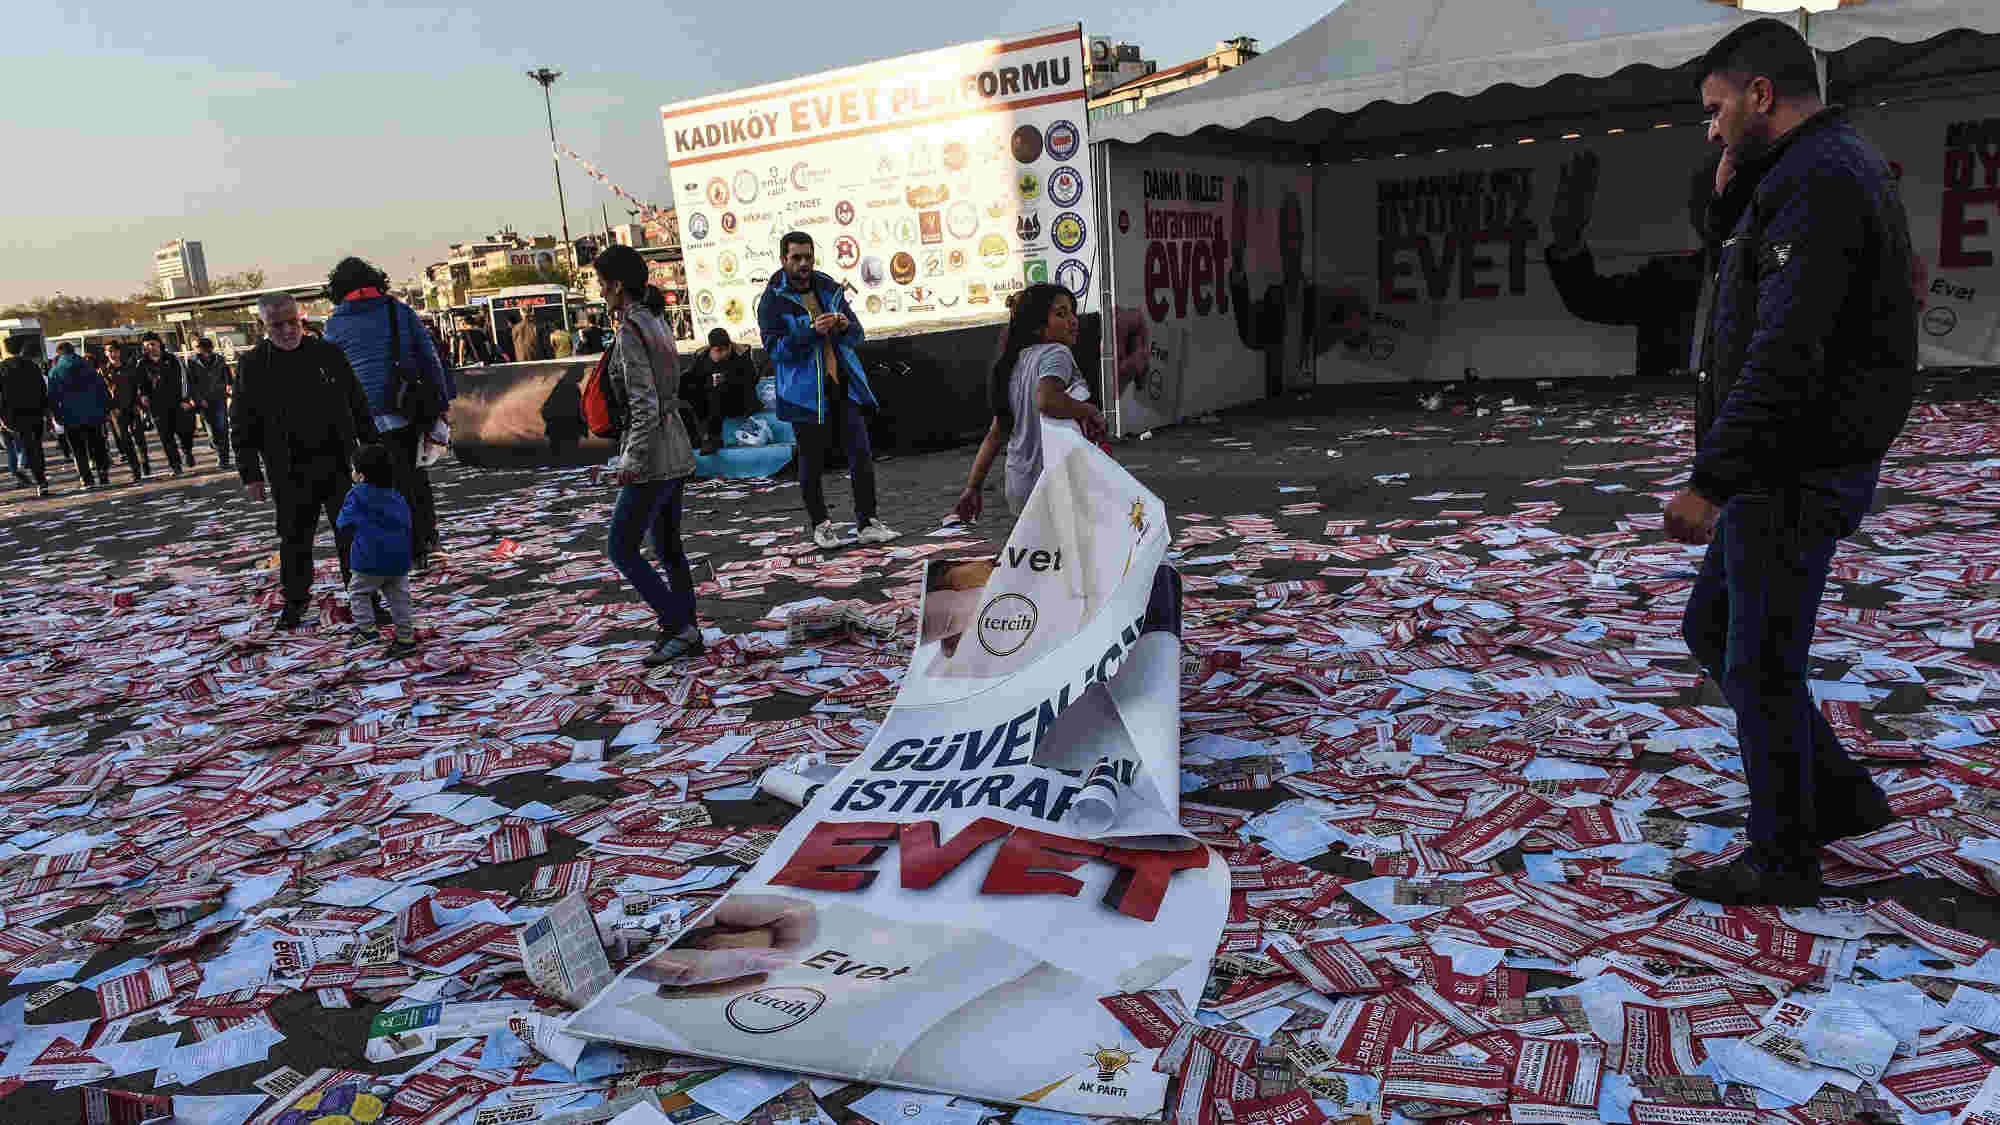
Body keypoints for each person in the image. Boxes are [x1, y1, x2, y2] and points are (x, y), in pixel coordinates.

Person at [1664, 18, 1916, 907]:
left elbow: (1787, 349)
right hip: (1780, 460)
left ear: (1761, 95)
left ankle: (1783, 855)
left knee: (1762, 664)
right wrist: (1729, 189)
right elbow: (1738, 274)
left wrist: (1712, 478)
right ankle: (1837, 793)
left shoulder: (1824, 179)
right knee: (1713, 631)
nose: (1712, 128)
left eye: (1718, 109)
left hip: (1791, 464)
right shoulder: (1794, 174)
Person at [233, 292, 380, 630]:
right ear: (263, 326)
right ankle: (296, 603)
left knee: (351, 535)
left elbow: (358, 405)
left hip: (337, 462)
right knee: (295, 539)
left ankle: (365, 601)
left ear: (301, 318)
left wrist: (373, 453)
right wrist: (250, 474)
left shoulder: (327, 354)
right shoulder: (254, 364)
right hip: (288, 469)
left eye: (292, 322)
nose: (287, 331)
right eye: (277, 325)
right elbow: (242, 422)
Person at [1546, 148, 1752, 382]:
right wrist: (1567, 239)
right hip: (1671, 413)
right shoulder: (1666, 279)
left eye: (1716, 196)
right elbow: (1588, 298)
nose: (1707, 210)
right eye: (1699, 198)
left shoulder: (1772, 276)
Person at [594, 245, 702, 665]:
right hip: (675, 445)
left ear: (617, 284)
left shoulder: (631, 330)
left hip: (653, 453)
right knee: (668, 546)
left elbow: (643, 404)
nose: (600, 289)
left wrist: (631, 460)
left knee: (621, 548)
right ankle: (685, 628)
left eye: (602, 282)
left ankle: (678, 625)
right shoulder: (656, 319)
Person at [756, 231, 898, 549]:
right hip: (803, 392)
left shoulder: (828, 287)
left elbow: (857, 333)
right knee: (811, 461)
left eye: (808, 256)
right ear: (783, 260)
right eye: (796, 258)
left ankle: (868, 522)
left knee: (860, 453)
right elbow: (775, 351)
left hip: (841, 384)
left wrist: (844, 327)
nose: (803, 263)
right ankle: (821, 526)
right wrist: (810, 332)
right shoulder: (772, 299)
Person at [324, 257, 448, 570]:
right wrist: (442, 404)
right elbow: (429, 358)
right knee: (413, 478)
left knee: (379, 485)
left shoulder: (335, 323)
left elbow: (330, 373)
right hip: (403, 410)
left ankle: (395, 546)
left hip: (361, 418)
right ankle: (424, 543)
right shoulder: (398, 310)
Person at [952, 284, 1105, 523]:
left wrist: (973, 488)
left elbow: (995, 435)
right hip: (1054, 484)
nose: (1073, 320)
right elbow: (1048, 400)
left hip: (1020, 487)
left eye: (1072, 312)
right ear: (1037, 326)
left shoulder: (1014, 362)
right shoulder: (1057, 353)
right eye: (1061, 314)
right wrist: (1090, 411)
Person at [337, 442, 418, 655]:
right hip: (399, 559)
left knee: (358, 592)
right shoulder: (396, 495)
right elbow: (408, 521)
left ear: (361, 474)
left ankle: (367, 629)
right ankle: (405, 638)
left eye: (354, 468)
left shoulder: (356, 495)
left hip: (369, 559)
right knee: (399, 598)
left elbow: (343, 523)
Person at [45, 342, 114, 491]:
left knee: (78, 448)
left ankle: (86, 477)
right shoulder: (88, 366)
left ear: (59, 354)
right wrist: (106, 408)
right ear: (73, 351)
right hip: (93, 414)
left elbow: (52, 396)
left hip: (70, 416)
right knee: (97, 445)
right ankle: (103, 474)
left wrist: (56, 415)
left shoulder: (55, 371)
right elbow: (101, 388)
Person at [684, 327, 760, 455]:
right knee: (689, 390)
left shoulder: (741, 354)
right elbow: (694, 379)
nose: (723, 353)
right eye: (719, 350)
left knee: (716, 391)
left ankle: (713, 437)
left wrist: (727, 378)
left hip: (738, 401)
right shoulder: (702, 356)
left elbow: (751, 380)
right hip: (710, 403)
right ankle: (696, 438)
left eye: (725, 349)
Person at [135, 332, 192, 475]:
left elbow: (183, 379)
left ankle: (187, 451)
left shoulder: (173, 359)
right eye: (146, 345)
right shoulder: (142, 363)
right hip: (157, 406)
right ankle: (175, 465)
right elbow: (140, 383)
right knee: (166, 437)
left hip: (177, 403)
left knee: (184, 432)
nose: (150, 347)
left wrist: (185, 399)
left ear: (159, 344)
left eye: (152, 344)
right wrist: (143, 396)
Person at [0, 337, 50, 497]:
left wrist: (2, 417)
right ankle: (41, 480)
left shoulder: (2, 368)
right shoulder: (32, 366)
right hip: (35, 413)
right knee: (36, 447)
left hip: (13, 416)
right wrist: (45, 411)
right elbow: (42, 390)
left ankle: (27, 471)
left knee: (24, 447)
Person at [102, 344, 151, 482]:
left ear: (119, 352)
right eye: (110, 351)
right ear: (106, 353)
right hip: (116, 410)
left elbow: (138, 386)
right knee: (125, 440)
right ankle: (135, 469)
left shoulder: (129, 367)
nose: (113, 354)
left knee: (139, 437)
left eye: (115, 351)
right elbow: (103, 392)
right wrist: (109, 408)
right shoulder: (103, 371)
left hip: (133, 407)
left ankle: (144, 462)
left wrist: (140, 404)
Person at [187, 337, 233, 469]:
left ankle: (224, 458)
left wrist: (228, 386)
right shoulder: (192, 362)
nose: (200, 351)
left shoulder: (219, 359)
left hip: (219, 397)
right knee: (212, 430)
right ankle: (214, 444)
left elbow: (227, 376)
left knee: (222, 428)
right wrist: (198, 399)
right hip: (203, 400)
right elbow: (191, 383)